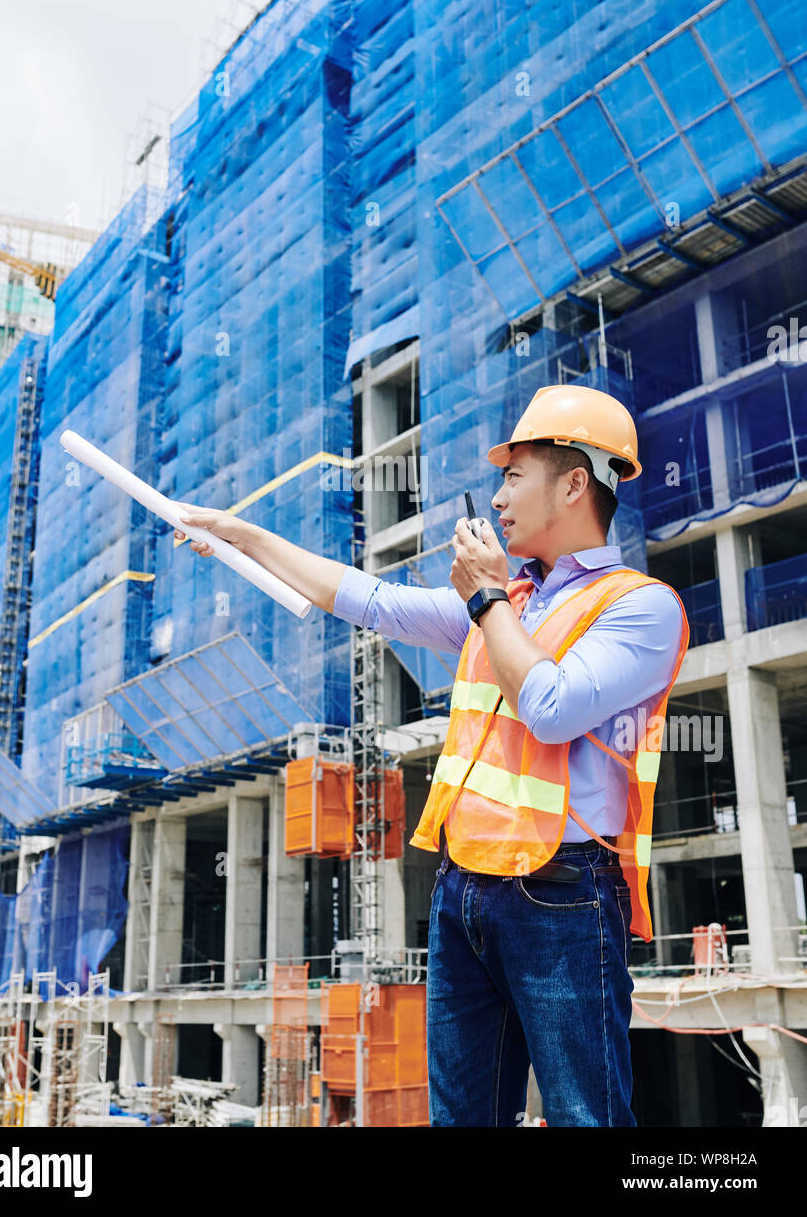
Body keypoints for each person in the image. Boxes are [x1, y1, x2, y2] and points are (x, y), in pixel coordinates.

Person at [174, 384, 689, 1127]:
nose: (499, 497)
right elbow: (366, 598)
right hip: (463, 891)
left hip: (563, 893)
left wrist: (486, 601)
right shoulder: (510, 602)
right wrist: (241, 536)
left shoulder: (638, 607)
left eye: (516, 475)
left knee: (585, 1115)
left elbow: (552, 709)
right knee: (462, 1116)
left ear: (575, 482)